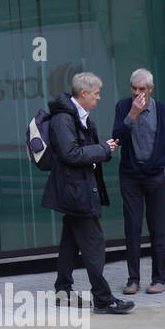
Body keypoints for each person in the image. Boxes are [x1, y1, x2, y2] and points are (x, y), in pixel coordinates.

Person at [42, 73, 133, 314]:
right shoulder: (63, 119)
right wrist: (102, 149)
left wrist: (102, 149)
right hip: (76, 193)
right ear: (83, 94)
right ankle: (103, 299)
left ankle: (63, 291)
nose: (99, 98)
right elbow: (70, 154)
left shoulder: (80, 117)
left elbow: (81, 150)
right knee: (94, 244)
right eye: (96, 93)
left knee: (70, 244)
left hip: (79, 189)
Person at [112, 68, 165, 294]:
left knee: (157, 229)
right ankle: (133, 280)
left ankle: (158, 279)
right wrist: (132, 115)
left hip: (156, 177)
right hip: (131, 176)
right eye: (134, 88)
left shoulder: (163, 111)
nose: (137, 93)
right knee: (132, 229)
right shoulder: (123, 107)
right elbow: (117, 139)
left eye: (142, 89)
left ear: (151, 89)